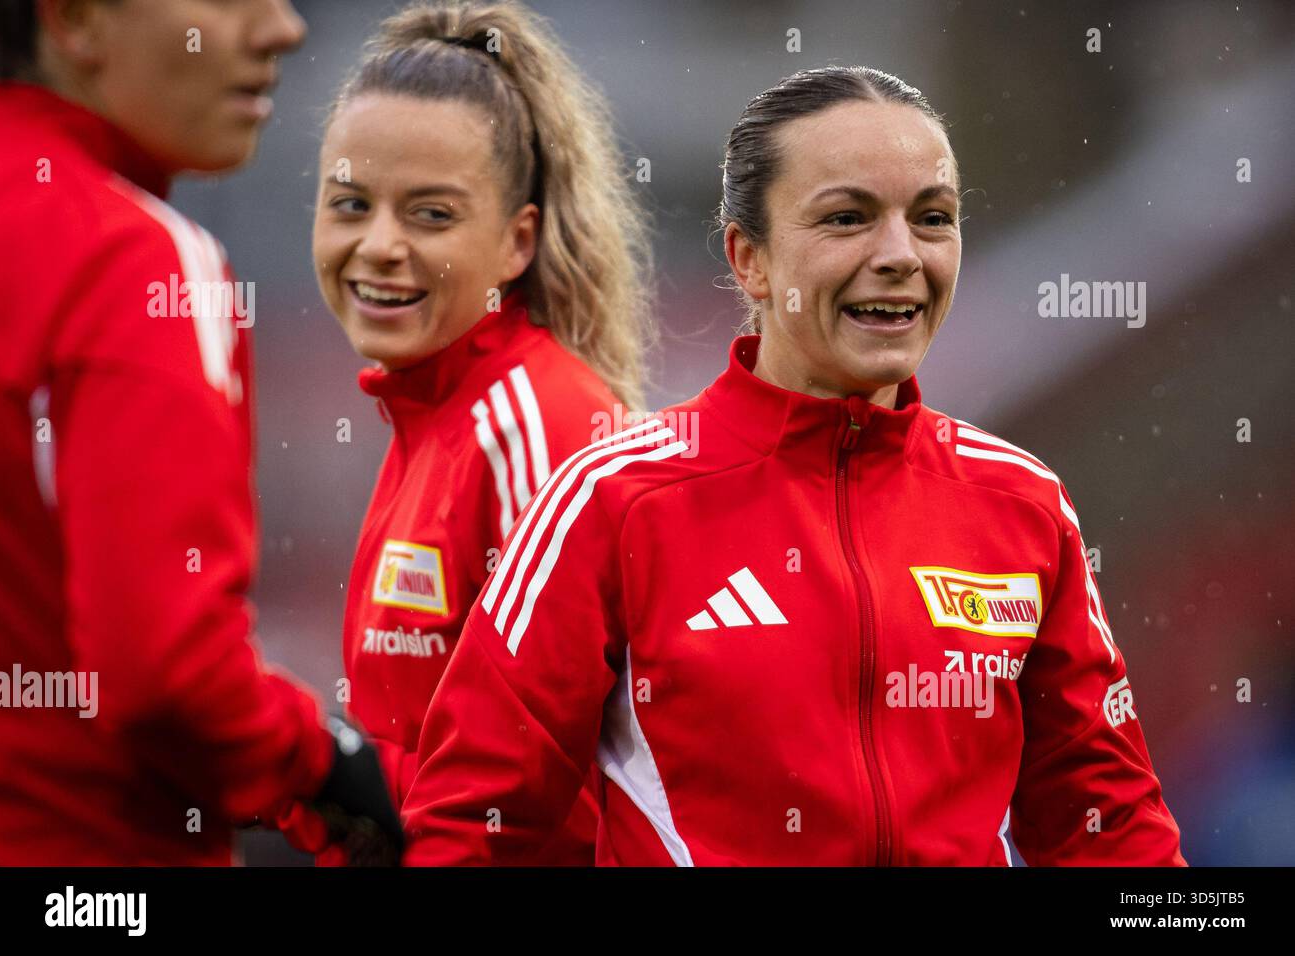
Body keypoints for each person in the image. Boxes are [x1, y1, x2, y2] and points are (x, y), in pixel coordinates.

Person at [398, 66, 1187, 865]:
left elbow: (1109, 825)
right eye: (847, 218)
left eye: (932, 218)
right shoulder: (612, 500)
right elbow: (471, 826)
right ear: (751, 261)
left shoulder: (1022, 502)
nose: (900, 255)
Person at [0, 0, 399, 865]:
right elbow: (164, 671)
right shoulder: (127, 255)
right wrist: (324, 761)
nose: (283, 28)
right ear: (74, 20)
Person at [280, 0, 652, 865]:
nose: (378, 245)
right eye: (349, 204)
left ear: (518, 241)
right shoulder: (434, 413)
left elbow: (563, 794)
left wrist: (321, 773)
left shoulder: (535, 428)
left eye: (431, 215)